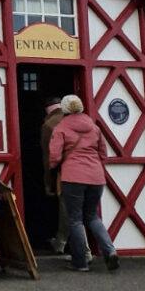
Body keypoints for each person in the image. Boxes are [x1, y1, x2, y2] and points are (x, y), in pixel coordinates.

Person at [48, 93, 120, 274]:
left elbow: (54, 157)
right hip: (96, 177)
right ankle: (110, 251)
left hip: (73, 177)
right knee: (93, 216)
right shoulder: (94, 127)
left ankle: (80, 262)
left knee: (75, 219)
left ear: (64, 109)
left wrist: (54, 167)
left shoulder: (61, 128)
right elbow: (103, 154)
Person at [40, 97, 69, 253]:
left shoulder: (49, 125)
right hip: (93, 175)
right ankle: (104, 248)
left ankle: (61, 243)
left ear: (47, 110)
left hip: (65, 174)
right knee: (88, 214)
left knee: (66, 209)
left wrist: (48, 183)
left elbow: (49, 157)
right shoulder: (84, 122)